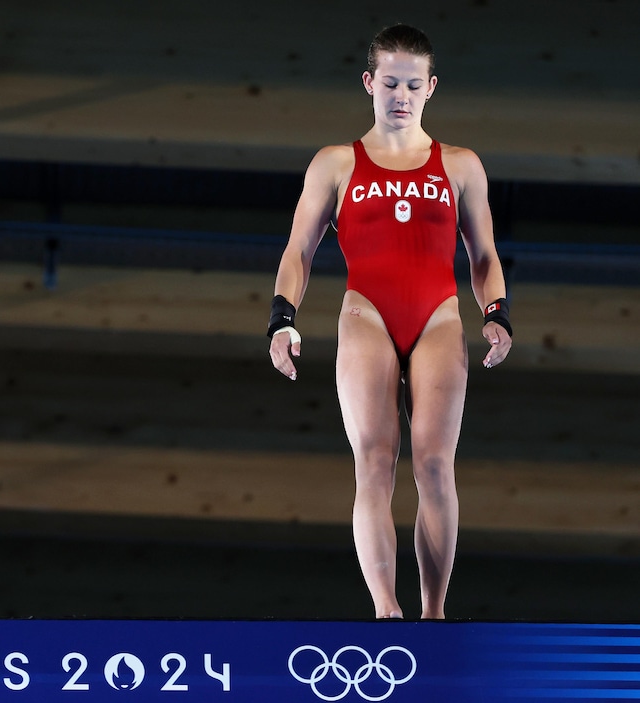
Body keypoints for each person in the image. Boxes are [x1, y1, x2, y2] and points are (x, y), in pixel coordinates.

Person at [267, 24, 511, 619]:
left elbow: (484, 257)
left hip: (439, 316)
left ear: (430, 87)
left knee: (433, 462)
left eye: (412, 85)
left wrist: (497, 315)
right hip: (367, 313)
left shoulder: (460, 165)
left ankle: (433, 611)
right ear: (369, 84)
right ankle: (385, 611)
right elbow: (299, 249)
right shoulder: (334, 164)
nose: (400, 96)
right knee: (375, 461)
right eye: (390, 83)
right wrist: (282, 319)